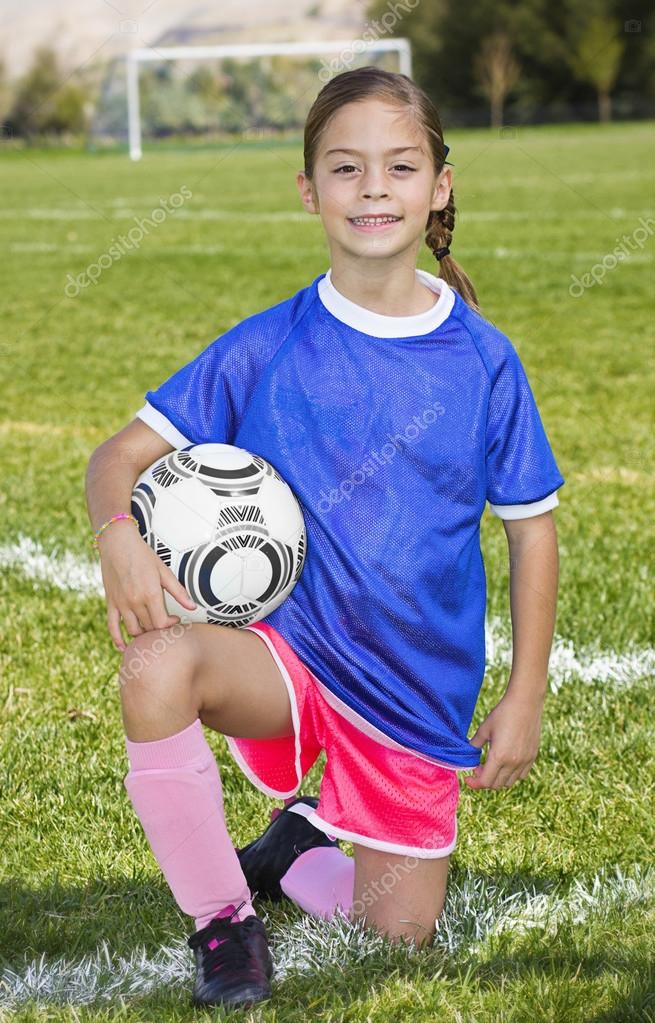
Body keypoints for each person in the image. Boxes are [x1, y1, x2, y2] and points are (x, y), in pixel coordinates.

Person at [85, 65, 564, 1010]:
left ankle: (295, 848)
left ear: (440, 186)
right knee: (155, 666)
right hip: (288, 657)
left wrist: (525, 694)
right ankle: (223, 920)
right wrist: (118, 535)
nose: (373, 188)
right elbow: (120, 454)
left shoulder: (482, 359)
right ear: (309, 190)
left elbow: (531, 532)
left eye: (400, 166)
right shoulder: (268, 343)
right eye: (346, 168)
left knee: (398, 938)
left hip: (412, 690)